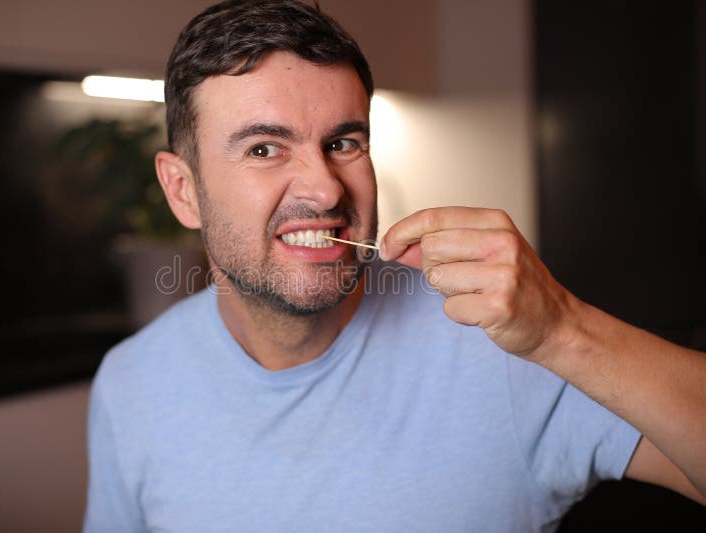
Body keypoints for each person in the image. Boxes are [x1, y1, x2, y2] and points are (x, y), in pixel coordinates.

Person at [84, 1, 706, 531]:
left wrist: (563, 327)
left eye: (343, 143)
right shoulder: (130, 385)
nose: (325, 190)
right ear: (183, 190)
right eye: (264, 148)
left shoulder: (506, 347)